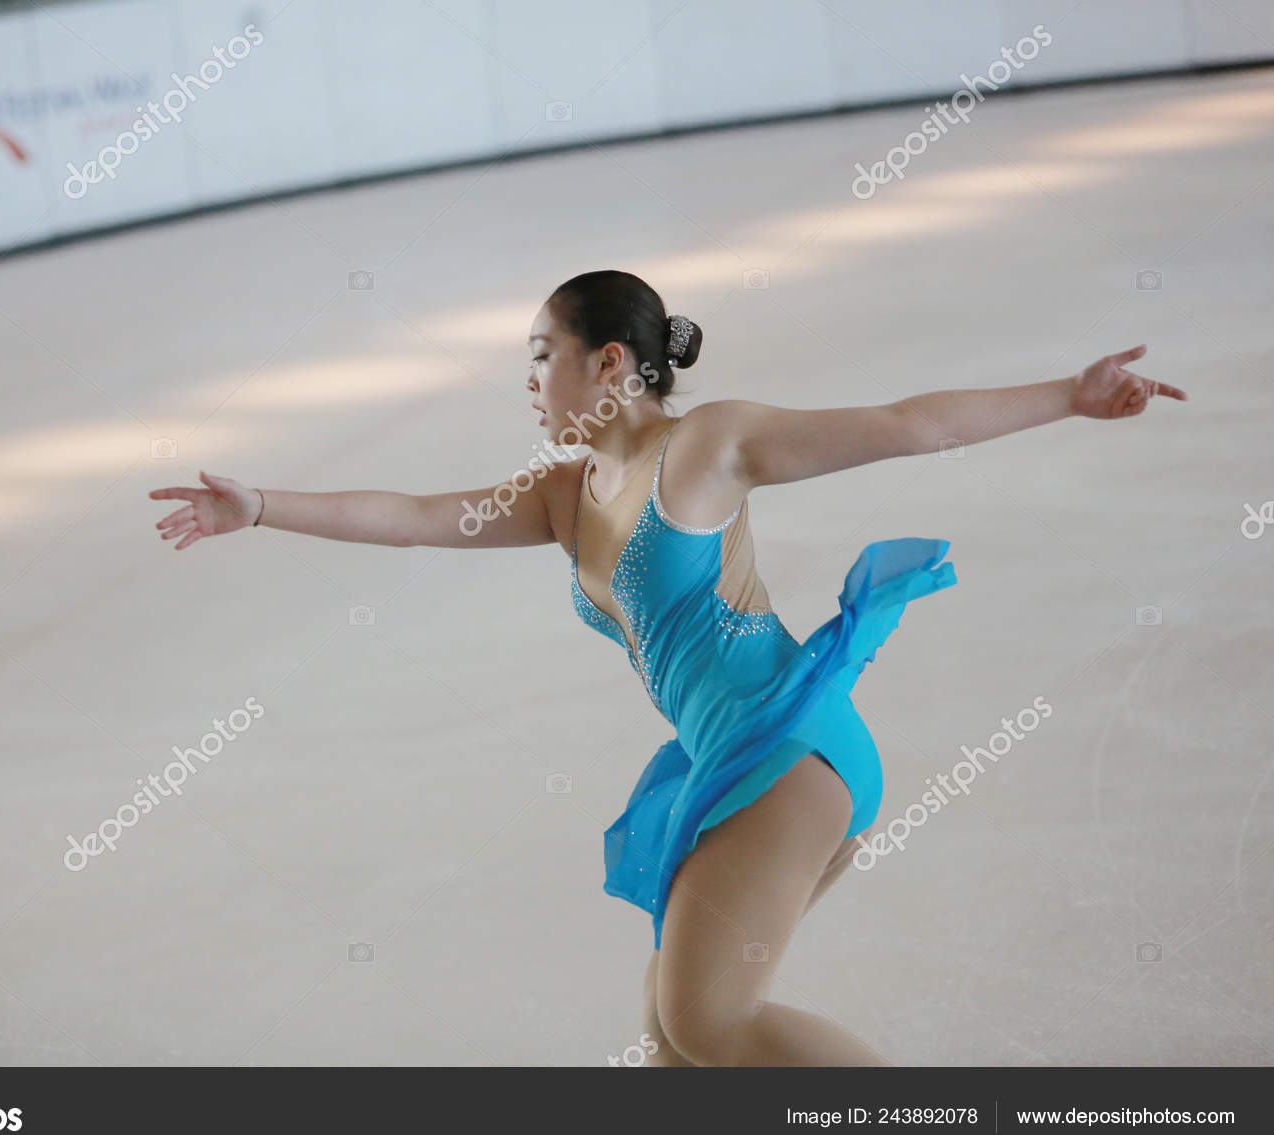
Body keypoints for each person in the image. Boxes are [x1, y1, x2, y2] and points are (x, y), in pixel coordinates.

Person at [148, 269, 1186, 1066]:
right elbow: (419, 516)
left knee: (709, 1021)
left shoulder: (705, 447)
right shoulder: (566, 493)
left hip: (788, 751)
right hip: (726, 767)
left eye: (541, 356)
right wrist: (262, 507)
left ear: (609, 363)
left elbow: (906, 425)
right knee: (669, 1041)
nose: (528, 381)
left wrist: (1071, 394)